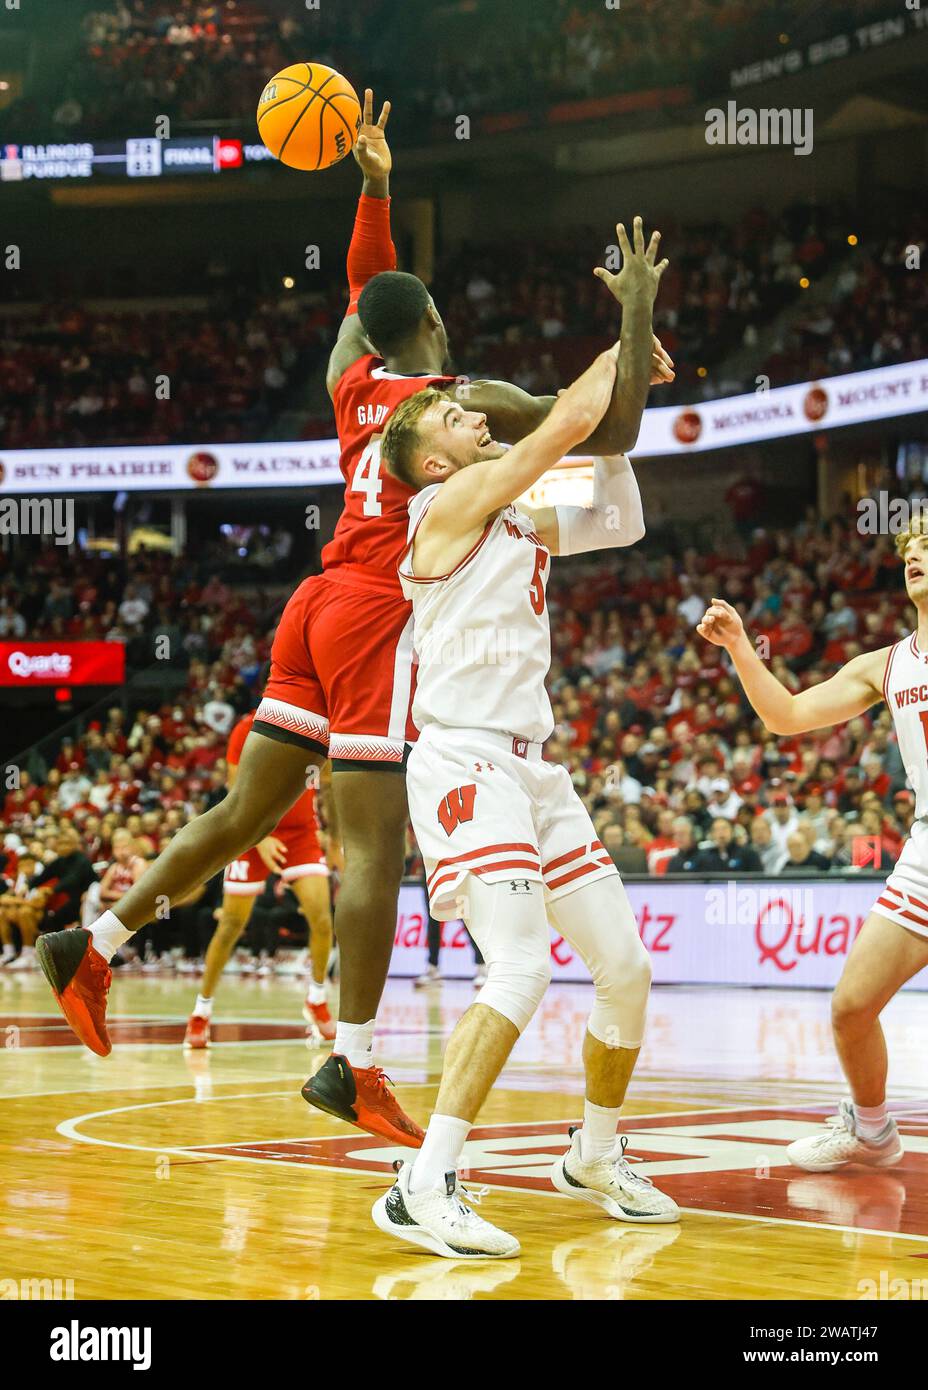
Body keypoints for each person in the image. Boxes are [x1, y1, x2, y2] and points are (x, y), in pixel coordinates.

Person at [36, 91, 673, 1152]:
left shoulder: (350, 385)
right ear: (432, 326)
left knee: (245, 811)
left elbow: (357, 295)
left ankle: (94, 941)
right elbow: (603, 429)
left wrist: (373, 186)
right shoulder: (461, 395)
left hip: (311, 601)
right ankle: (357, 1061)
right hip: (382, 613)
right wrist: (634, 322)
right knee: (371, 850)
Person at [371, 221, 678, 1258]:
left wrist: (624, 377)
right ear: (431, 461)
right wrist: (624, 325)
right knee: (519, 970)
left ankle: (593, 1148)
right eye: (454, 419)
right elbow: (556, 432)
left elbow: (616, 497)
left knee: (625, 969)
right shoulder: (445, 508)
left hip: (532, 768)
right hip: (462, 759)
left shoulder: (516, 519)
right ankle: (424, 1180)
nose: (470, 419)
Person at [696, 517, 928, 1173]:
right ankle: (874, 1129)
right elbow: (787, 717)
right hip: (925, 853)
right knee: (852, 1007)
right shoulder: (885, 665)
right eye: (909, 549)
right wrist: (742, 646)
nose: (914, 555)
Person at [183, 709, 338, 1049]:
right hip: (251, 829)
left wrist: (337, 839)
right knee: (231, 926)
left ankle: (316, 998)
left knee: (322, 919)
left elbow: (330, 783)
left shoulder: (321, 728)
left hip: (301, 834)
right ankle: (201, 1012)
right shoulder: (247, 727)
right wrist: (260, 836)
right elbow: (236, 791)